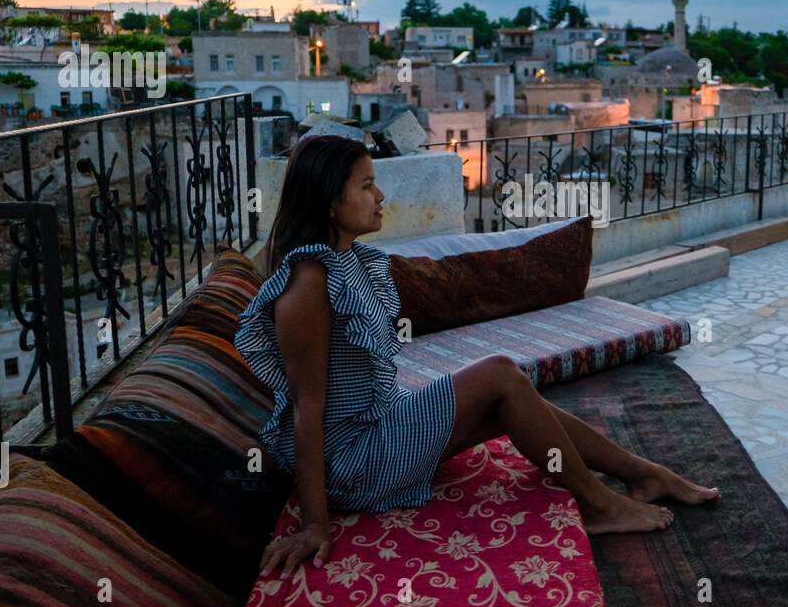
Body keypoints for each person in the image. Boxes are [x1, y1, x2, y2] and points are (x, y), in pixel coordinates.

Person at [234, 135, 719, 581]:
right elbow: (306, 409)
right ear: (330, 202)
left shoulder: (350, 262)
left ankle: (643, 475)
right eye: (366, 186)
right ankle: (598, 505)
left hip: (377, 425)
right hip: (354, 460)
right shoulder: (307, 285)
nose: (381, 196)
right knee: (501, 374)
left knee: (517, 401)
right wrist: (315, 524)